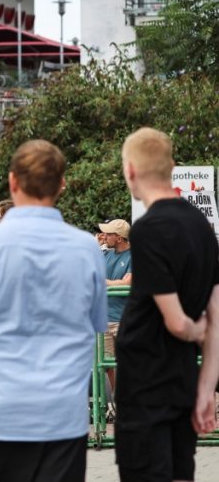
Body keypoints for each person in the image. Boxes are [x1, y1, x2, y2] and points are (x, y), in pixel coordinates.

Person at [0, 140, 107, 482]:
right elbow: (95, 323)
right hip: (59, 418)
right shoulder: (87, 247)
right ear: (62, 184)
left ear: (13, 181)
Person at [114, 127, 219, 482]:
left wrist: (193, 329)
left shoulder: (148, 230)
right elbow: (216, 316)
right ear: (171, 167)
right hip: (183, 380)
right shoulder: (202, 227)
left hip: (146, 383)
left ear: (130, 170)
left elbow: (177, 322)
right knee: (180, 472)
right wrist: (207, 390)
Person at [99, 218, 132, 392]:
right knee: (106, 364)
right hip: (103, 319)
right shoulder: (105, 254)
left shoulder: (134, 255)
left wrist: (104, 282)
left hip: (123, 319)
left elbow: (128, 283)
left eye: (108, 233)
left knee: (127, 362)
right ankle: (119, 400)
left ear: (118, 237)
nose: (104, 236)